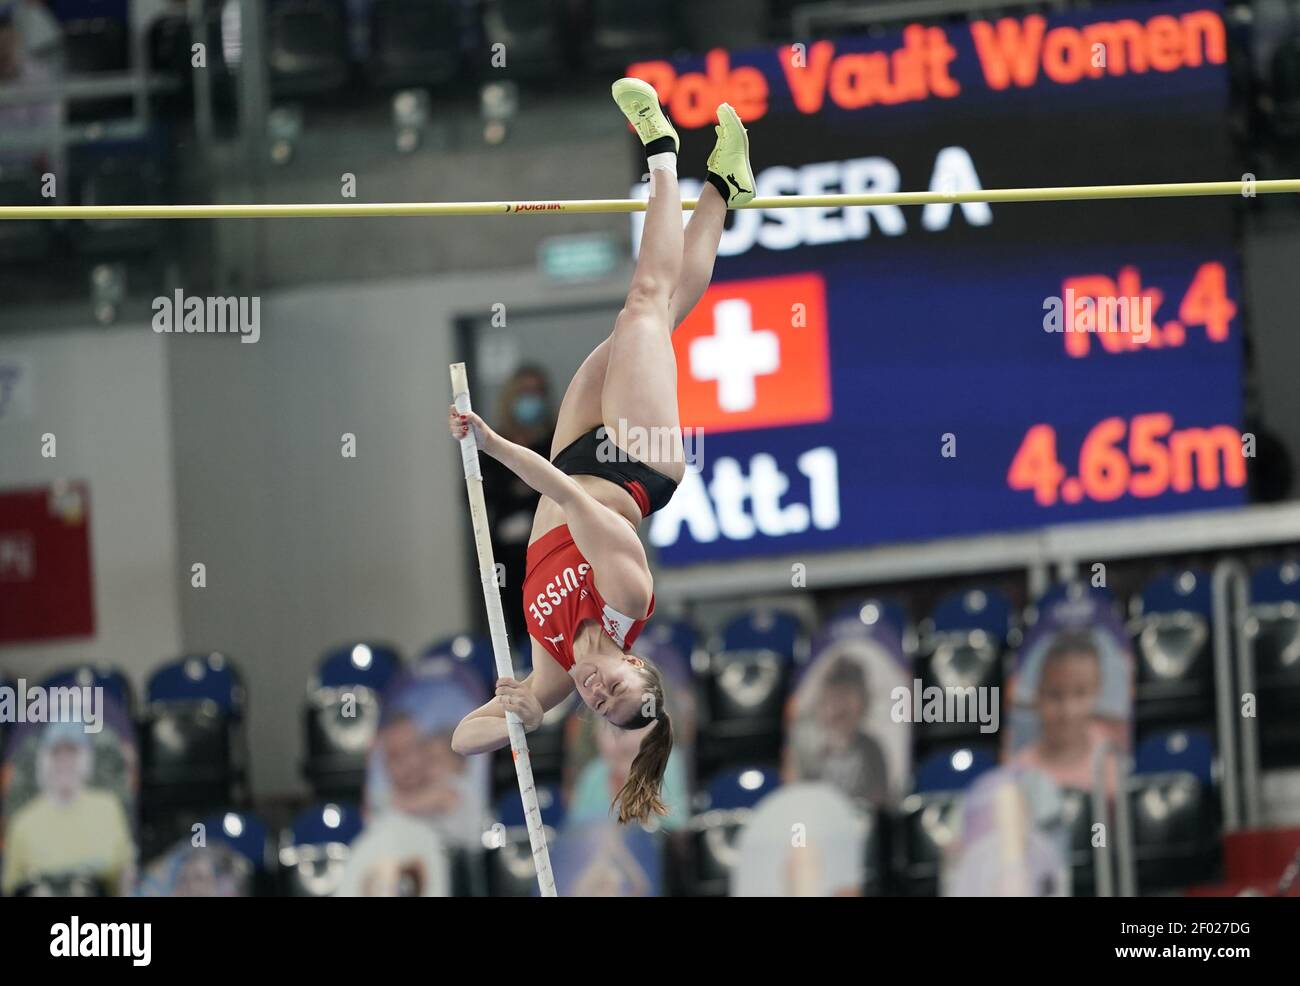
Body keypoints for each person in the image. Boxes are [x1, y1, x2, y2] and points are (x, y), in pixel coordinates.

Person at [450, 77, 755, 824]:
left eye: (600, 705)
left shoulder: (556, 671)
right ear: (635, 663)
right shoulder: (628, 597)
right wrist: (493, 444)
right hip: (634, 459)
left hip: (574, 447)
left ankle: (723, 187)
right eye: (617, 689)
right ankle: (660, 154)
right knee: (645, 304)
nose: (596, 693)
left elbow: (463, 740)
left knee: (661, 307)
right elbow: (575, 500)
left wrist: (524, 716)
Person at [1, 721, 135, 895]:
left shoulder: (109, 809)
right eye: (57, 754)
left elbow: (125, 873)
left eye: (72, 753)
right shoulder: (23, 822)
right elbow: (10, 886)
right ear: (44, 761)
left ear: (85, 759)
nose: (64, 762)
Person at [480, 365, 555, 644]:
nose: (530, 400)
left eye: (536, 393)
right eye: (524, 393)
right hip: (508, 555)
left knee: (550, 618)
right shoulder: (493, 442)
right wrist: (516, 489)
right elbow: (477, 491)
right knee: (518, 624)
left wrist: (530, 487)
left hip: (548, 544)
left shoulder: (554, 440)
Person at [1011, 630, 1119, 796]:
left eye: (1080, 693)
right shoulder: (1019, 771)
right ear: (1037, 696)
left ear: (1097, 692)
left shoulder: (1110, 759)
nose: (1067, 711)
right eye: (1055, 695)